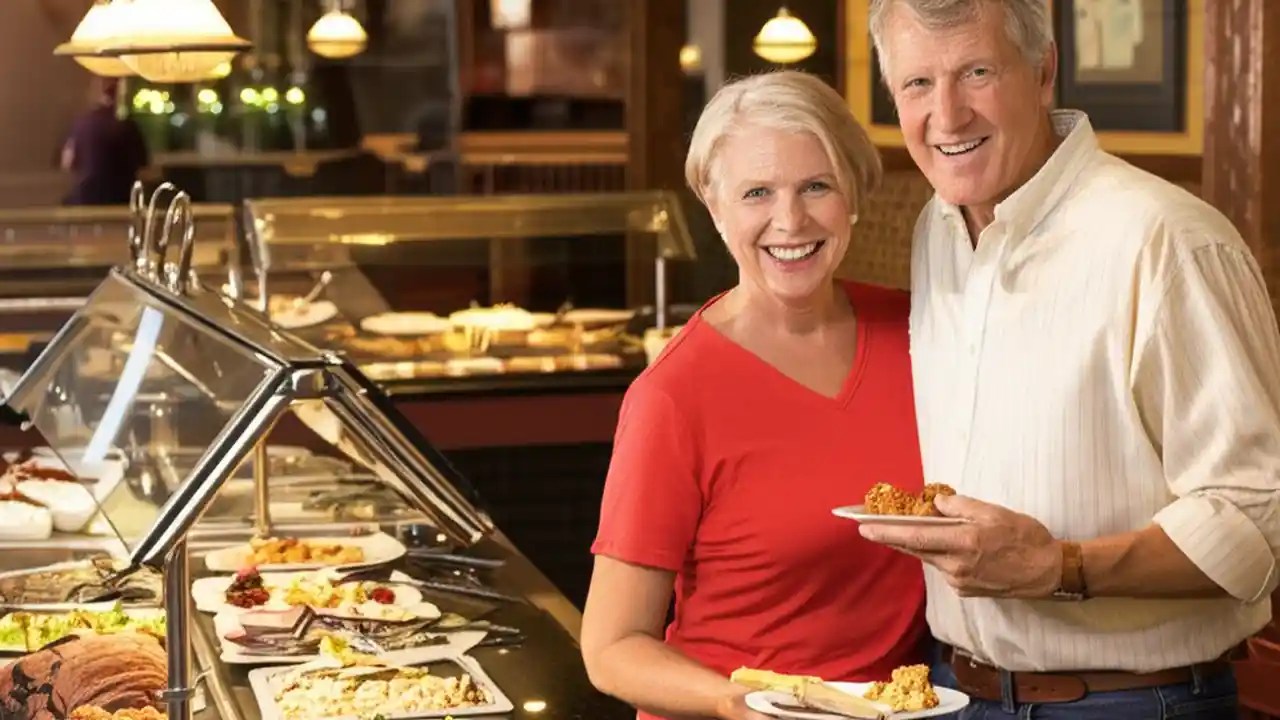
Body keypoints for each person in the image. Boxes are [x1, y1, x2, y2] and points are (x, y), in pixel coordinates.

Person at [858, 1, 1280, 718]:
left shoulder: (1168, 241)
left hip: (1137, 703)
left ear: (1044, 70)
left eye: (977, 72)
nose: (948, 115)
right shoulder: (937, 227)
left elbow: (1260, 516)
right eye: (917, 85)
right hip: (955, 692)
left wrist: (1058, 567)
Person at [581, 70, 930, 720]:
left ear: (853, 192)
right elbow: (610, 648)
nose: (789, 219)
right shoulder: (674, 397)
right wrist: (737, 702)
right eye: (756, 193)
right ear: (715, 210)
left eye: (816, 186)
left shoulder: (922, 334)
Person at [61, 76, 149, 206]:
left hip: (85, 200)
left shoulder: (81, 124)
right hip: (120, 201)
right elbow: (144, 167)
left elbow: (67, 163)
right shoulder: (127, 126)